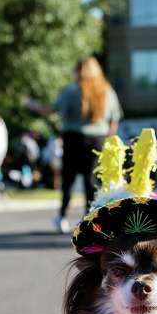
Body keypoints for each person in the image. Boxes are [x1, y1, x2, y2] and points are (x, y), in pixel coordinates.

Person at [49, 56, 121, 232]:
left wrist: (31, 104)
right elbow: (115, 119)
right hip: (97, 139)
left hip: (73, 138)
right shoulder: (106, 90)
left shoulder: (71, 91)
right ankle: (89, 219)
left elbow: (54, 110)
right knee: (91, 181)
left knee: (68, 179)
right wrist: (108, 139)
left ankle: (62, 216)